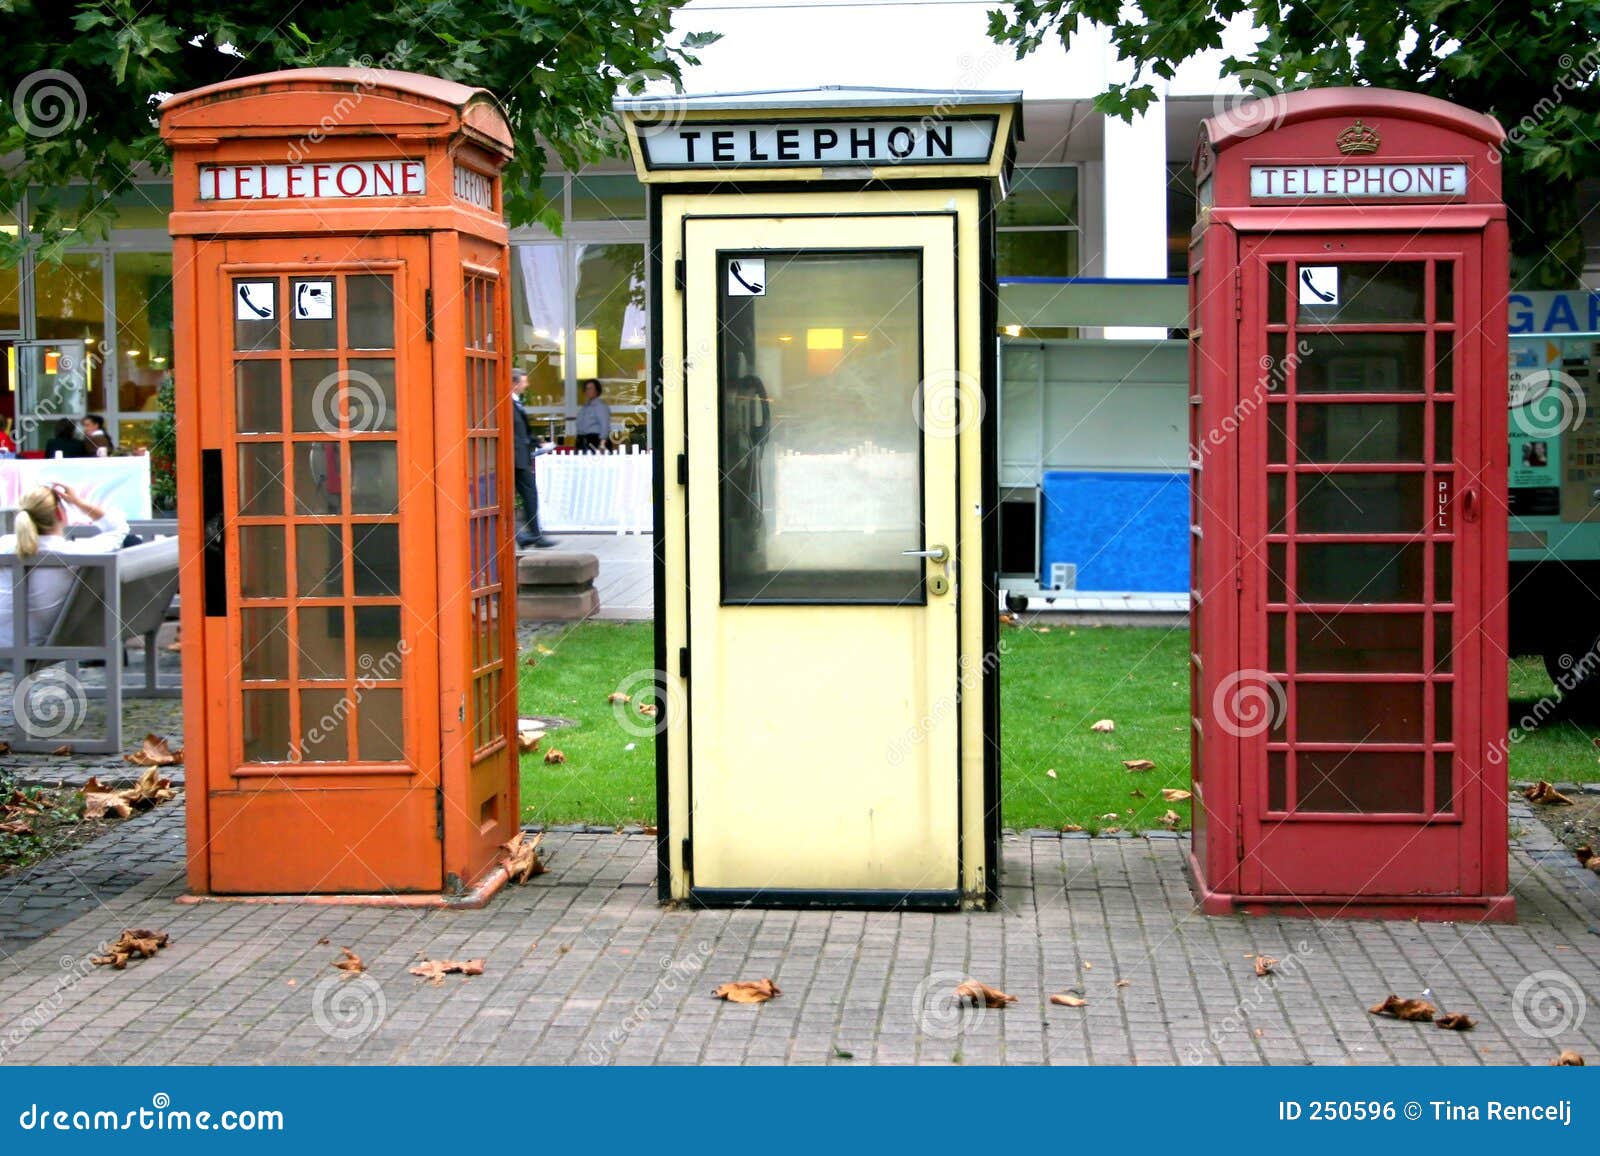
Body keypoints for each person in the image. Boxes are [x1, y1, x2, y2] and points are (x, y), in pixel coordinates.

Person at [0, 483, 129, 646]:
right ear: (59, 513)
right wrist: (78, 503)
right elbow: (118, 528)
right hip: (37, 644)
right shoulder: (73, 551)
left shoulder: (4, 545)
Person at [510, 369, 555, 549]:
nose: (526, 385)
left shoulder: (515, 403)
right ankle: (531, 535)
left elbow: (524, 432)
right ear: (514, 383)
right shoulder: (507, 403)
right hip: (515, 458)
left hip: (520, 456)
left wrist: (539, 443)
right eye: (524, 382)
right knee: (528, 495)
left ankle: (529, 535)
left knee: (528, 495)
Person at [574, 378, 612, 451]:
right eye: (586, 389)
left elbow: (605, 426)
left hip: (595, 441)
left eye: (590, 388)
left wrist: (602, 445)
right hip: (583, 441)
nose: (588, 391)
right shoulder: (585, 407)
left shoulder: (601, 406)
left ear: (597, 390)